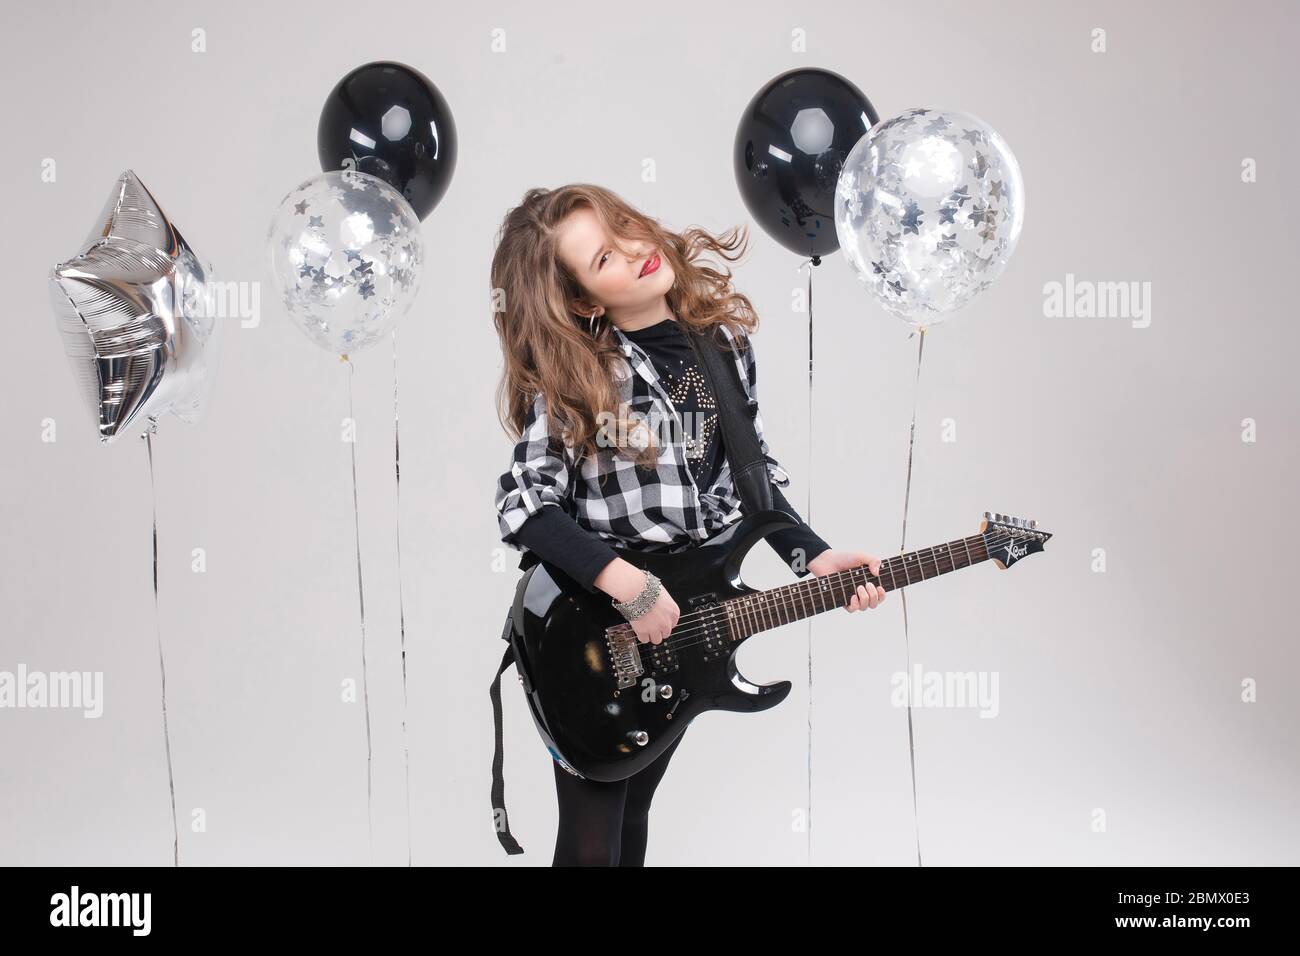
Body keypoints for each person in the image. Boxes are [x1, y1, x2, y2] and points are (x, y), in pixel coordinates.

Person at [490, 184, 887, 866]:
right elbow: (524, 504)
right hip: (593, 625)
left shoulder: (721, 343)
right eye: (606, 258)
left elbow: (751, 475)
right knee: (591, 841)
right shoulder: (580, 375)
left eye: (625, 228)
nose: (637, 251)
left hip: (679, 623)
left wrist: (812, 557)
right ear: (585, 300)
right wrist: (626, 585)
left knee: (634, 813)